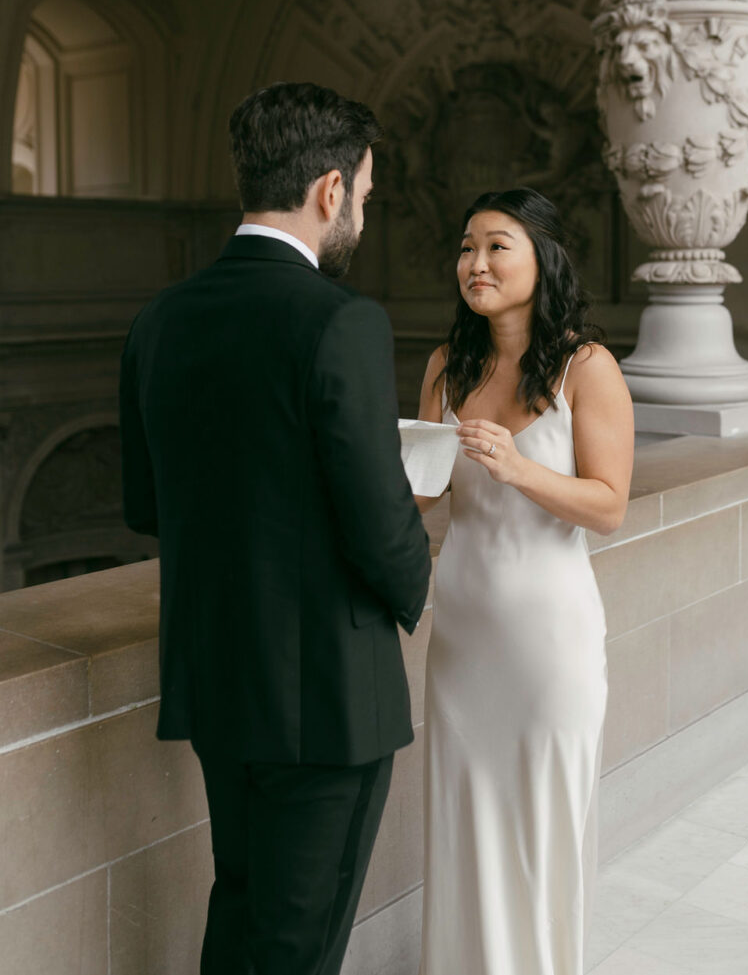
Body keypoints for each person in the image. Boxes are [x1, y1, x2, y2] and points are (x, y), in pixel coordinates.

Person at [119, 82, 431, 975]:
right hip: (328, 695)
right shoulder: (343, 320)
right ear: (330, 190)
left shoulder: (160, 319)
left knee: (242, 914)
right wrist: (417, 576)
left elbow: (146, 506)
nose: (361, 212)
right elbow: (380, 524)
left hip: (217, 680)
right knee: (297, 947)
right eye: (363, 195)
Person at [415, 187, 634, 975]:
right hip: (461, 635)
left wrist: (517, 466)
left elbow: (608, 505)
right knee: (463, 825)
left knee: (542, 827)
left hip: (550, 640)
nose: (475, 262)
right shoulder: (447, 365)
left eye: (496, 245)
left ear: (544, 257)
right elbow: (426, 492)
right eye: (466, 247)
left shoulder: (586, 367)